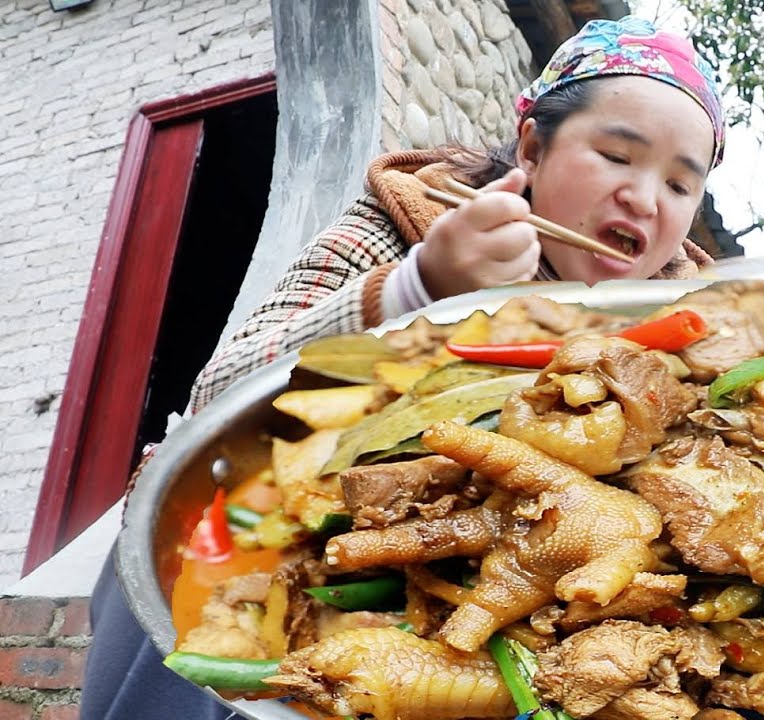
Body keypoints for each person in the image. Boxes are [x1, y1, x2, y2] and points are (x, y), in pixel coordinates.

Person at [80, 15, 726, 719]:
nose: (645, 197)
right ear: (534, 147)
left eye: (678, 185)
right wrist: (420, 287)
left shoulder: (701, 325)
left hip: (506, 640)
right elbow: (222, 391)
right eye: (617, 155)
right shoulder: (399, 225)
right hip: (245, 564)